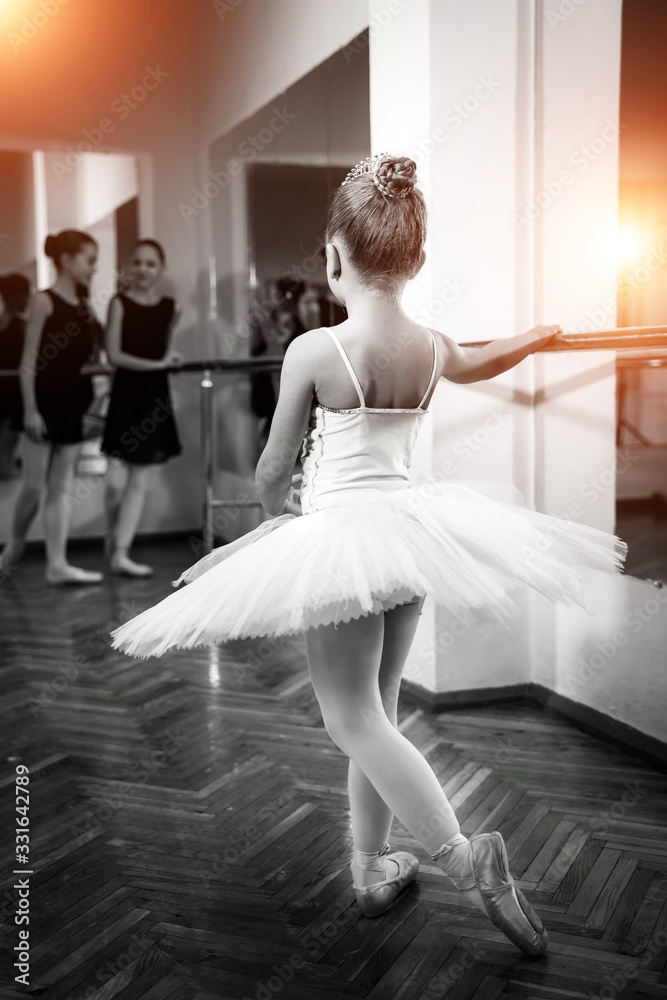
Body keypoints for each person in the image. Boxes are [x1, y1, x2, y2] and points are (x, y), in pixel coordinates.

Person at [109, 154, 628, 957]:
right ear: (415, 261)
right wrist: (538, 334)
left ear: (332, 257)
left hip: (342, 542)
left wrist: (273, 520)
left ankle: (464, 858)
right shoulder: (430, 345)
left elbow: (275, 466)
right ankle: (369, 866)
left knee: (347, 717)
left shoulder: (317, 349)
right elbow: (487, 360)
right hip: (410, 535)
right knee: (374, 716)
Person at [0, 230, 103, 585]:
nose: (94, 267)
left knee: (61, 486)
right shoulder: (43, 302)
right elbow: (28, 362)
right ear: (67, 259)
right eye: (90, 260)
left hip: (73, 402)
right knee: (33, 486)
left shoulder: (83, 304)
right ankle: (13, 549)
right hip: (42, 404)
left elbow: (93, 351)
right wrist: (30, 410)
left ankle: (56, 563)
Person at [101, 239, 183, 577]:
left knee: (140, 480)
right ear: (128, 267)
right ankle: (112, 538)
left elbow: (168, 350)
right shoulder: (118, 303)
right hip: (125, 396)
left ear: (161, 269)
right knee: (115, 482)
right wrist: (158, 364)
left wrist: (169, 361)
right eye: (136, 262)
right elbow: (114, 355)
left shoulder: (171, 307)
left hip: (155, 398)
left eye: (150, 263)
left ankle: (121, 552)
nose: (142, 269)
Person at [0, 273, 31, 478]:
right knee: (6, 447)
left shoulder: (18, 324)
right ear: (18, 296)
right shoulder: (23, 326)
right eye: (27, 294)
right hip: (13, 395)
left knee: (6, 447)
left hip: (11, 393)